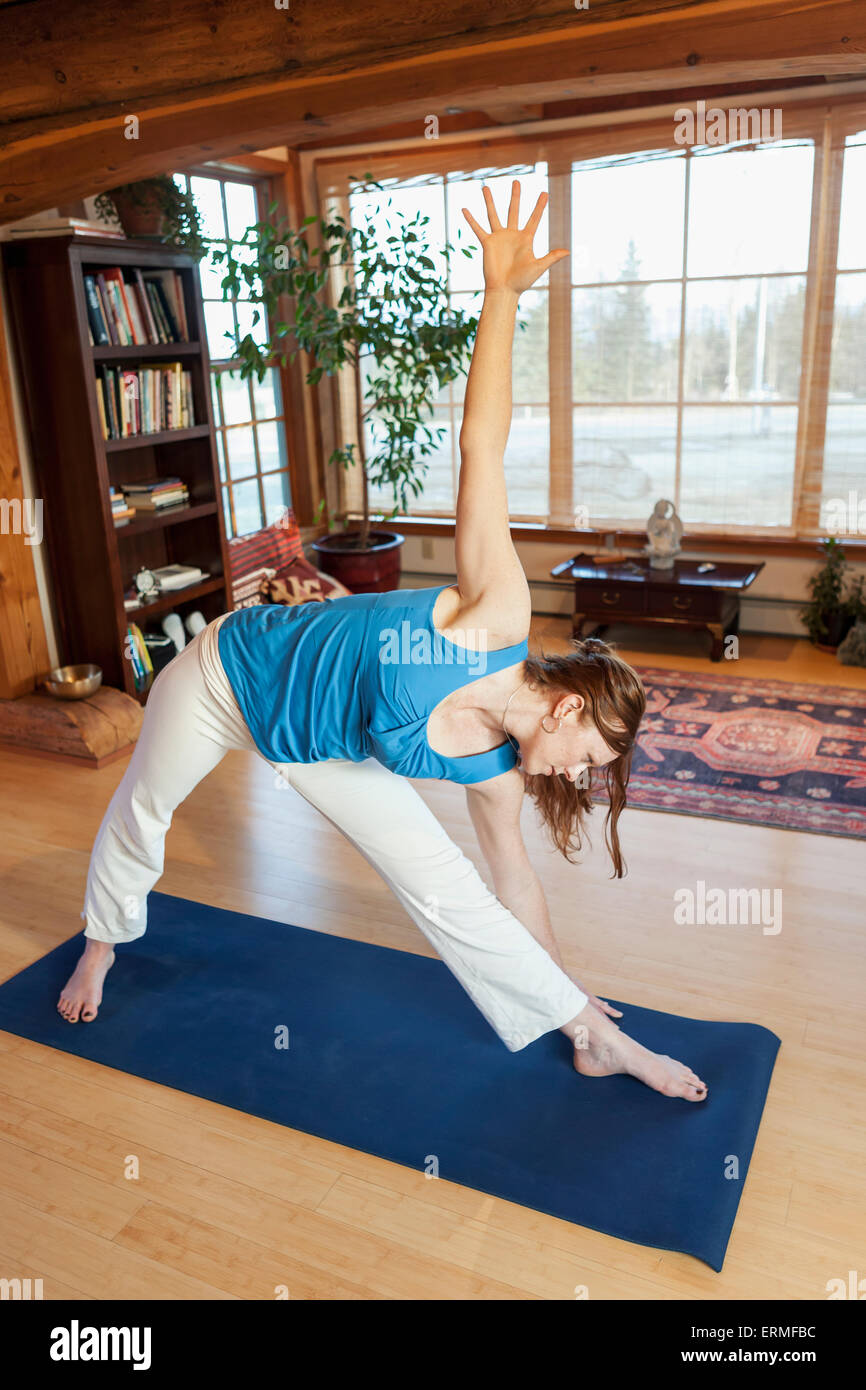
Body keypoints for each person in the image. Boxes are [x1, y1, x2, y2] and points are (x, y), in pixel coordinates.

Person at [57, 181, 707, 1102]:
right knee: (145, 805)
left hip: (322, 745)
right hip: (228, 677)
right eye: (587, 754)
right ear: (565, 705)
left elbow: (511, 888)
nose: (574, 774)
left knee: (446, 888)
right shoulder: (496, 620)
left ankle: (593, 1039)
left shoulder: (496, 767)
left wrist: (572, 999)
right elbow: (484, 448)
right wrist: (504, 297)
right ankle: (100, 947)